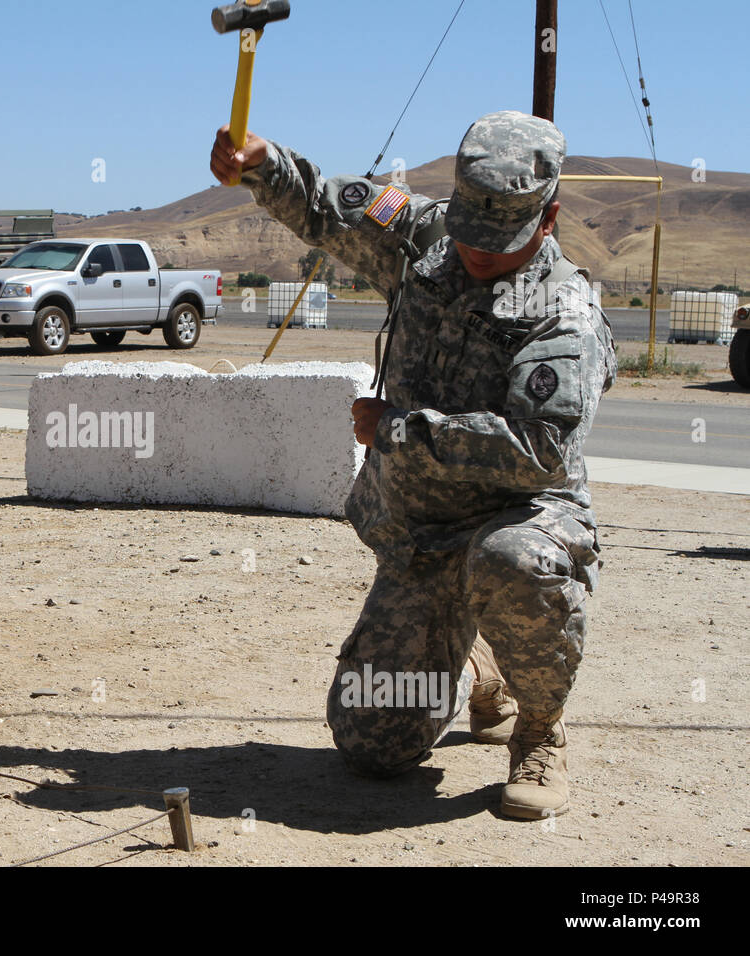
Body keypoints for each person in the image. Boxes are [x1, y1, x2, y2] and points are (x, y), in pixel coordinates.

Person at [210, 111, 616, 819]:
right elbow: (325, 207)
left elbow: (540, 448)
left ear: (548, 218)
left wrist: (406, 429)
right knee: (372, 745)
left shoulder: (564, 311)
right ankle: (480, 664)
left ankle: (540, 734)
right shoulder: (424, 235)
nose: (478, 254)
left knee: (513, 562)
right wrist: (259, 161)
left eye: (501, 242)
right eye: (469, 232)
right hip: (422, 534)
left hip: (521, 515)